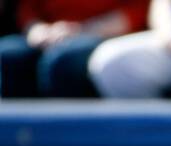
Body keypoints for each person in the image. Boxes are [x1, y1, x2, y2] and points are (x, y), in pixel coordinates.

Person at [0, 0, 147, 96]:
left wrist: (83, 30)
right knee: (9, 58)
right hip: (47, 32)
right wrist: (36, 29)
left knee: (62, 62)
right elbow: (28, 7)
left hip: (105, 32)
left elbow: (141, 9)